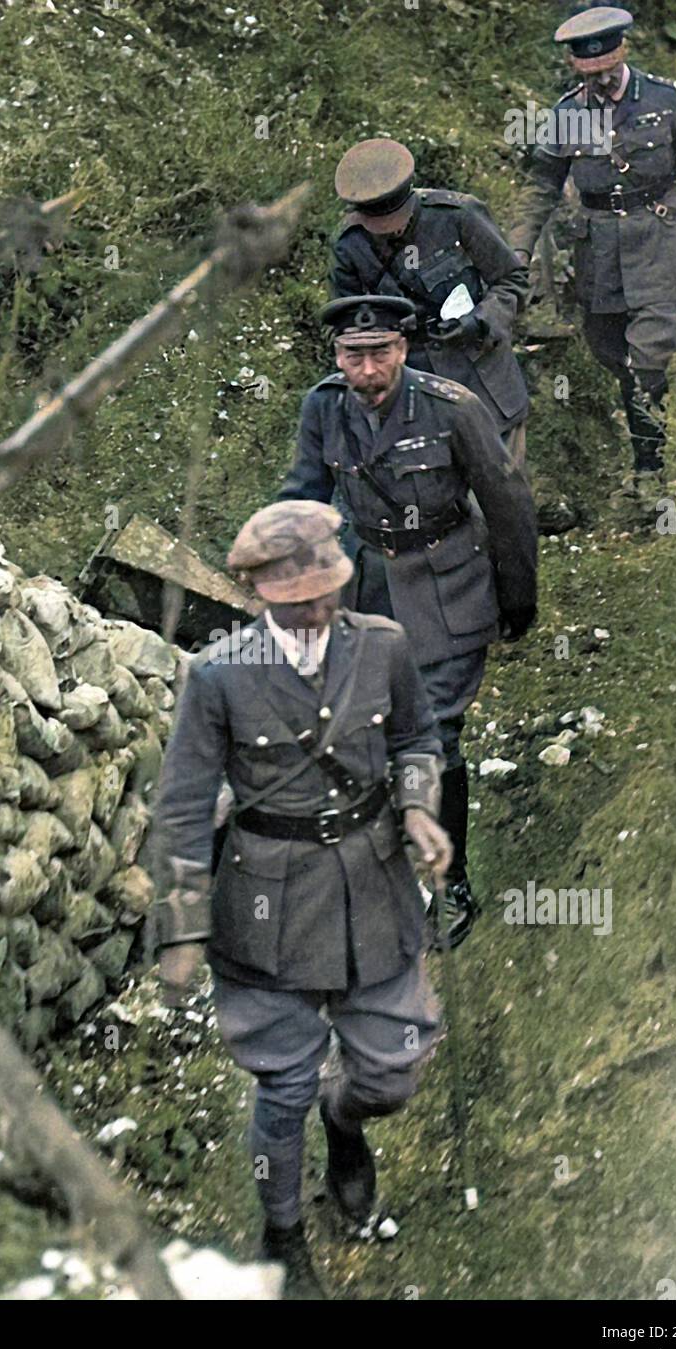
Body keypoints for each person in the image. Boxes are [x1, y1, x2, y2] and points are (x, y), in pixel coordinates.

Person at [152, 500, 451, 1298]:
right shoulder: (217, 676)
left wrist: (419, 808)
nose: (316, 611)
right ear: (258, 595)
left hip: (373, 887)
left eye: (325, 592)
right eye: (296, 600)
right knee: (281, 1086)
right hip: (267, 907)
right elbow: (182, 806)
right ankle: (282, 1228)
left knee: (394, 1069)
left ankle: (345, 1117)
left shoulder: (382, 646)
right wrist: (181, 928)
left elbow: (416, 739)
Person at [278, 295, 537, 947]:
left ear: (404, 349)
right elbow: (306, 492)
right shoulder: (323, 407)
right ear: (337, 356)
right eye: (353, 355)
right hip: (371, 589)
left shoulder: (452, 408)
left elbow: (507, 501)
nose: (367, 371)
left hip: (450, 583)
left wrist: (515, 597)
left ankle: (451, 883)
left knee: (436, 736)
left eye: (380, 353)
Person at [508, 5, 676, 503]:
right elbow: (541, 186)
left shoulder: (667, 100)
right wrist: (518, 248)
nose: (601, 81)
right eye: (589, 74)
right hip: (599, 255)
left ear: (622, 51)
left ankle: (650, 473)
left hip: (660, 242)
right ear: (574, 68)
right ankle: (644, 428)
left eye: (607, 70)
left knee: (646, 357)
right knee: (613, 354)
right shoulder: (565, 115)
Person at [331, 138, 531, 477]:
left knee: (504, 497)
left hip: (482, 377)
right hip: (414, 393)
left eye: (395, 218)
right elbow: (344, 325)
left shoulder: (457, 216)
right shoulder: (350, 245)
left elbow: (511, 281)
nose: (387, 231)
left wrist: (479, 322)